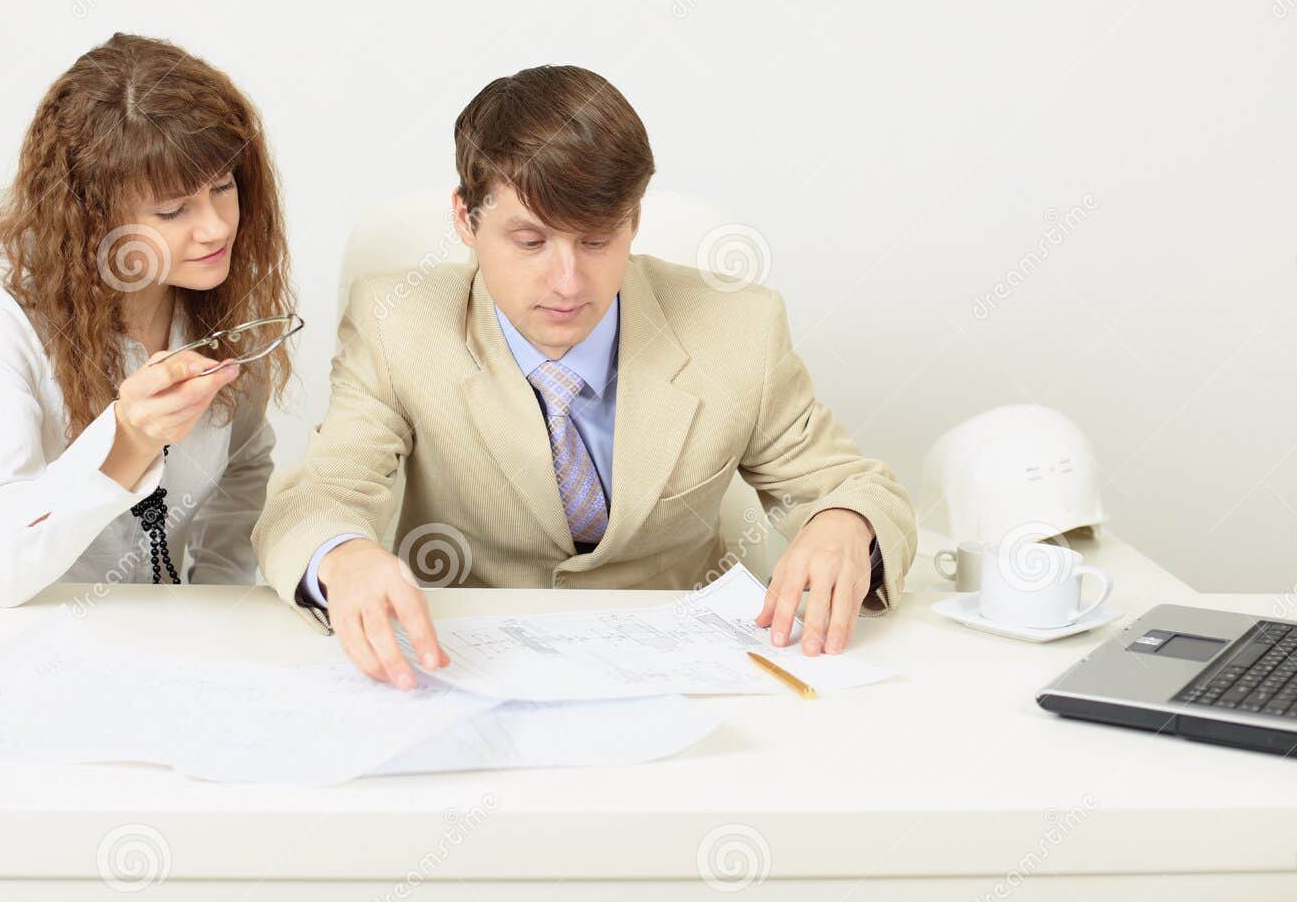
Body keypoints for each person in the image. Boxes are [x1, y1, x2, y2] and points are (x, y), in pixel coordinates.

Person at [253, 65, 915, 688]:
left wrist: (846, 522)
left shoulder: (739, 328)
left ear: (634, 221)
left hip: (683, 676)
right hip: (469, 671)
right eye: (531, 241)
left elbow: (857, 485)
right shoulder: (397, 324)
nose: (567, 283)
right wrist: (343, 555)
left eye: (597, 240)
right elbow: (318, 496)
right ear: (466, 219)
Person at [0, 33, 294, 607]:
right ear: (91, 217)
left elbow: (242, 467)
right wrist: (129, 440)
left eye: (223, 187)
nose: (217, 227)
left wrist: (215, 603)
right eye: (172, 210)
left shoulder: (219, 288)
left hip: (147, 632)